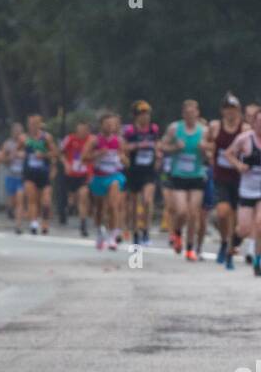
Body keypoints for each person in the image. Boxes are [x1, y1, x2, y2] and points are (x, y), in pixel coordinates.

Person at [228, 107, 261, 277]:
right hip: (247, 186)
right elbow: (229, 154)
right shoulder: (244, 139)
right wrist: (238, 165)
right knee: (243, 229)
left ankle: (258, 262)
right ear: (254, 122)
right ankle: (232, 246)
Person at [160, 100, 208, 261]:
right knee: (181, 211)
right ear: (183, 114)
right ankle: (178, 233)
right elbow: (162, 146)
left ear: (197, 113)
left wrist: (205, 149)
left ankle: (190, 248)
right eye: (187, 113)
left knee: (194, 214)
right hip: (178, 176)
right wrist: (174, 148)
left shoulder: (204, 131)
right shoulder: (175, 128)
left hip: (197, 176)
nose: (190, 115)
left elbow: (211, 152)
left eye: (193, 112)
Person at [207, 95, 247, 269]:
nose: (230, 113)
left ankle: (232, 246)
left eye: (233, 109)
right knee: (223, 213)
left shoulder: (245, 129)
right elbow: (205, 142)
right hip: (221, 177)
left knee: (239, 220)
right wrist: (209, 151)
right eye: (227, 109)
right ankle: (225, 242)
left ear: (238, 111)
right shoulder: (215, 126)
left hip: (241, 179)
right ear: (222, 111)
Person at [84, 112, 128, 250]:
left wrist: (122, 158)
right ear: (101, 125)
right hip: (98, 177)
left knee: (113, 206)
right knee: (99, 209)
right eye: (107, 124)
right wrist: (97, 154)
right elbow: (84, 158)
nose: (110, 126)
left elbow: (127, 162)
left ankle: (113, 236)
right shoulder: (94, 141)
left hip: (114, 176)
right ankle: (100, 232)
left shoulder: (119, 141)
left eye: (112, 124)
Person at [123, 101, 161, 245]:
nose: (145, 117)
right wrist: (137, 146)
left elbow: (157, 144)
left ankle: (146, 230)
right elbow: (123, 147)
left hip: (149, 171)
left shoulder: (153, 129)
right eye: (142, 114)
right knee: (133, 204)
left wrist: (158, 154)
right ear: (135, 116)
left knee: (147, 200)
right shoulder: (130, 131)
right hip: (134, 170)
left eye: (147, 114)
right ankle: (136, 232)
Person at [15, 113, 56, 235]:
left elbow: (54, 153)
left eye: (35, 124)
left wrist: (43, 155)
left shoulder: (46, 137)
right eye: (30, 124)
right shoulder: (23, 138)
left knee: (46, 201)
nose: (32, 126)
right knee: (32, 198)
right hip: (29, 173)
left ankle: (45, 223)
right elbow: (17, 151)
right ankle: (33, 223)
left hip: (43, 172)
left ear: (40, 124)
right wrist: (20, 154)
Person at [61, 121, 92, 237]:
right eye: (80, 130)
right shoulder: (70, 139)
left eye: (84, 130)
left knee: (83, 196)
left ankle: (83, 224)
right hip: (71, 173)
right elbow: (61, 153)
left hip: (84, 174)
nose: (82, 133)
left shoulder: (91, 141)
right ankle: (70, 206)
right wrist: (66, 164)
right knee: (73, 199)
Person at [1, 122, 25, 224]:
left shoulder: (26, 143)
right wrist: (10, 158)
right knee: (13, 200)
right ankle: (11, 210)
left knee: (20, 199)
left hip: (22, 176)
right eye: (16, 132)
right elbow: (2, 159)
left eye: (19, 132)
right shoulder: (8, 144)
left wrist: (24, 156)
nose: (17, 134)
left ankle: (18, 224)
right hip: (11, 175)